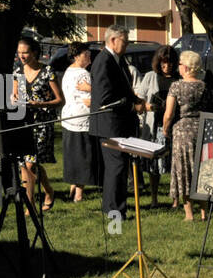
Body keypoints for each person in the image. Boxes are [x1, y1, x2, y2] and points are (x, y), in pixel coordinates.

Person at [90, 24, 144, 218]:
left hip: (120, 123)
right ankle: (115, 213)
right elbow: (105, 99)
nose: (128, 44)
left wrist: (136, 99)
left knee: (119, 167)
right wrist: (131, 106)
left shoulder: (118, 60)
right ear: (113, 40)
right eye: (125, 41)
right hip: (109, 124)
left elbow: (123, 90)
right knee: (117, 167)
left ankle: (115, 208)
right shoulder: (103, 61)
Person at [12, 35, 63, 212]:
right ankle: (48, 191)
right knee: (25, 164)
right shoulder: (17, 72)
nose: (21, 56)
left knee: (30, 164)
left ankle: (30, 204)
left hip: (42, 123)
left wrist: (40, 104)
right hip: (24, 122)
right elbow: (15, 97)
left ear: (34, 52)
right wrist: (14, 99)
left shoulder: (48, 71)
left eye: (25, 52)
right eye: (19, 53)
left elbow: (60, 100)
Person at [162, 49, 208, 221]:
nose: (178, 67)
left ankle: (189, 214)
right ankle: (204, 212)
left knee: (184, 173)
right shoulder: (203, 86)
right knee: (200, 171)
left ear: (187, 67)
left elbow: (169, 113)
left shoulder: (176, 86)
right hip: (201, 129)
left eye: (180, 64)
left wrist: (165, 129)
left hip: (183, 131)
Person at [134, 45, 179, 207]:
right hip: (155, 127)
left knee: (175, 165)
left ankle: (176, 200)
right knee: (154, 166)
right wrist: (150, 107)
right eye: (163, 63)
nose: (167, 66)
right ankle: (154, 199)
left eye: (170, 63)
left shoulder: (179, 78)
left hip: (175, 127)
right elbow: (139, 102)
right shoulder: (150, 77)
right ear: (158, 63)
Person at [60, 42, 100, 202]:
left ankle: (72, 188)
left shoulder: (68, 72)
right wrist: (94, 90)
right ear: (76, 56)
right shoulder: (83, 74)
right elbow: (89, 101)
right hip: (82, 118)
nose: (89, 56)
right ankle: (78, 193)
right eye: (86, 54)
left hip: (69, 117)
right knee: (84, 156)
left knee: (73, 156)